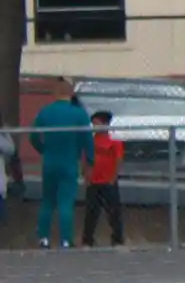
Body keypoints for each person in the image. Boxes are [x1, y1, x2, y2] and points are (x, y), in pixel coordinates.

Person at [30, 93, 92, 250]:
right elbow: (87, 139)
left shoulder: (45, 111)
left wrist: (43, 149)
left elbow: (33, 136)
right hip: (70, 161)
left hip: (50, 161)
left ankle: (43, 239)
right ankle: (66, 240)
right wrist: (89, 160)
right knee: (66, 202)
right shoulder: (79, 114)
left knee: (47, 201)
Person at [80, 110, 124, 247]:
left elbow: (118, 159)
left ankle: (117, 238)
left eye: (97, 123)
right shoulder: (91, 142)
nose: (94, 127)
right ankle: (87, 239)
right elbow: (85, 159)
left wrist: (113, 177)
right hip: (94, 181)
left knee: (113, 211)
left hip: (108, 181)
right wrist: (86, 175)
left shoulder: (114, 142)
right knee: (91, 212)